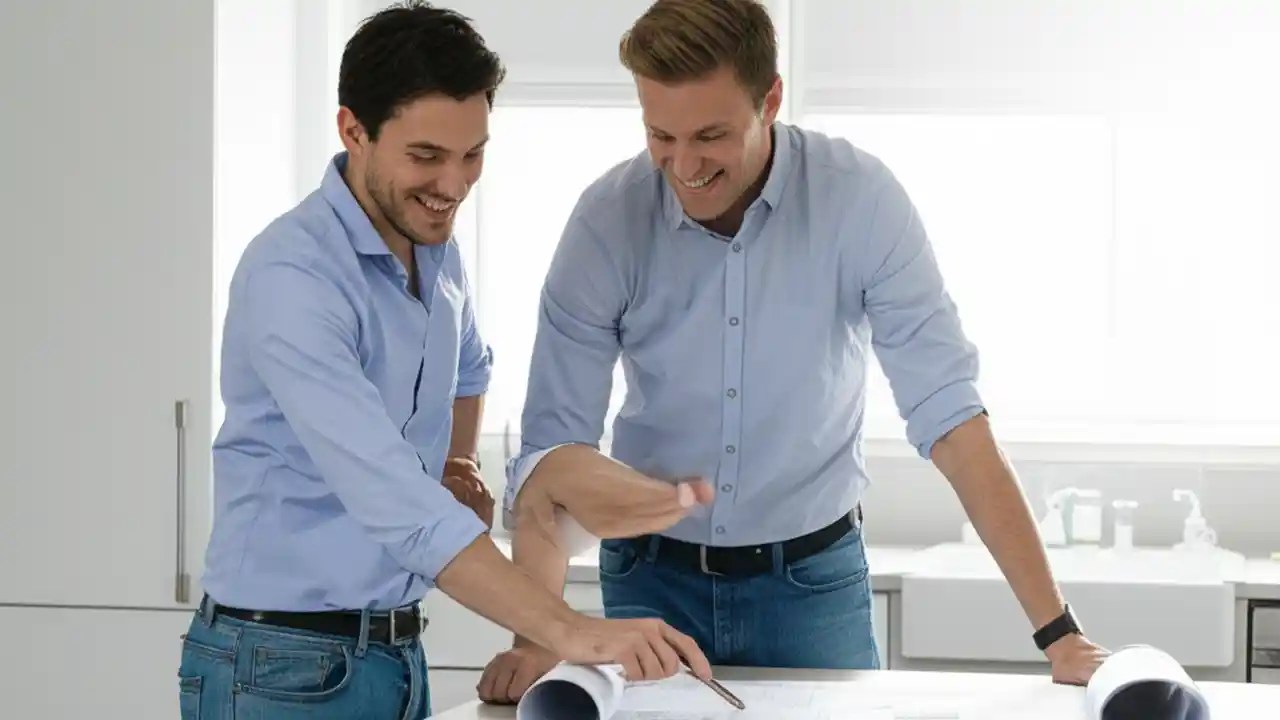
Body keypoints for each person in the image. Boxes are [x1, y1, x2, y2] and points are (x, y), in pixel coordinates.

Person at [478, 0, 1110, 704]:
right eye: (661, 135)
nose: (682, 166)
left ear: (770, 98)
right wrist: (537, 637)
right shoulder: (607, 222)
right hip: (650, 586)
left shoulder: (859, 201)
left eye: (710, 135)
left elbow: (951, 416)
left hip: (813, 586)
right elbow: (553, 454)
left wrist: (1057, 631)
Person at [177, 3, 711, 718]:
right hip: (277, 665)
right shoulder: (293, 278)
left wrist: (458, 463)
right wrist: (572, 631)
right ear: (351, 131)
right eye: (427, 156)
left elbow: (469, 369)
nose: (454, 185)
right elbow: (395, 500)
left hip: (393, 653)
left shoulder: (436, 248)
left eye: (473, 155)